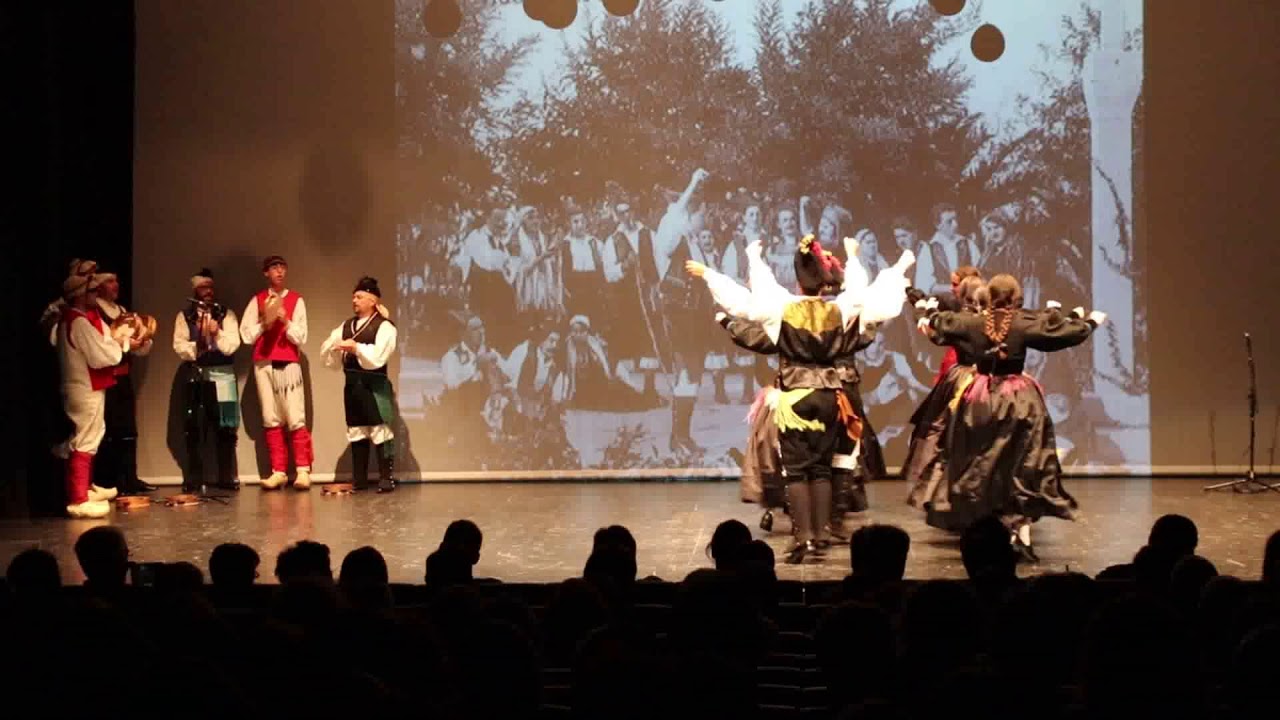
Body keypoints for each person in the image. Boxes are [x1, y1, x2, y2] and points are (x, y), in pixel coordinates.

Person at [689, 235, 913, 563]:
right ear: (824, 283)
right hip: (829, 396)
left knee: (796, 472)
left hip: (795, 397)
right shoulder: (839, 310)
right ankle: (821, 534)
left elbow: (752, 297)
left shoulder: (783, 309)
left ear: (798, 282)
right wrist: (855, 259)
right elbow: (862, 294)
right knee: (821, 469)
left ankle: (804, 537)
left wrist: (728, 269)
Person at [920, 274, 1105, 561]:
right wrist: (1090, 323)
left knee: (982, 464)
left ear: (989, 296)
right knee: (1022, 464)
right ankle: (1020, 534)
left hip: (980, 400)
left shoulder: (974, 322)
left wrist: (927, 308)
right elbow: (1058, 335)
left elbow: (940, 322)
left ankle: (993, 534)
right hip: (1017, 401)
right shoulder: (1020, 322)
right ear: (1016, 298)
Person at [55, 273, 132, 518]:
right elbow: (101, 356)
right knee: (85, 438)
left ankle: (84, 490)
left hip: (84, 386)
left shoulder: (76, 319)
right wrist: (118, 343)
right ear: (79, 294)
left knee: (91, 434)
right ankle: (78, 499)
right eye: (91, 291)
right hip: (84, 387)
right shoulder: (78, 322)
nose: (96, 295)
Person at [320, 277, 399, 493]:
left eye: (359, 296)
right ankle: (360, 479)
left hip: (375, 387)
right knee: (357, 430)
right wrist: (334, 348)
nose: (354, 300)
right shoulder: (346, 326)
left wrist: (356, 348)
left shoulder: (384, 327)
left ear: (372, 300)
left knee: (380, 429)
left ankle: (386, 479)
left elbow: (379, 357)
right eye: (354, 297)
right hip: (353, 387)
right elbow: (329, 350)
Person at [241, 255, 313, 490]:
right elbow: (246, 334)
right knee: (271, 416)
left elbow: (302, 336)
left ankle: (302, 470)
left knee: (295, 416)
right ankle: (278, 471)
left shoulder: (295, 300)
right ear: (266, 273)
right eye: (274, 268)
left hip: (288, 363)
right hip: (264, 363)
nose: (279, 271)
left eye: (282, 267)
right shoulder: (258, 300)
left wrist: (286, 320)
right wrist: (265, 323)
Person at [173, 268, 242, 491]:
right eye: (204, 288)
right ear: (195, 290)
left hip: (223, 375)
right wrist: (198, 347)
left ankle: (226, 476)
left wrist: (217, 333)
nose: (208, 291)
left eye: (211, 287)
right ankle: (194, 478)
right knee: (195, 427)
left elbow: (233, 344)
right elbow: (179, 345)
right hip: (197, 374)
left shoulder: (226, 314)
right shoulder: (185, 316)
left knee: (226, 427)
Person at [92, 267, 155, 495]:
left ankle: (129, 478)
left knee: (128, 429)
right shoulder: (96, 312)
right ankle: (109, 480)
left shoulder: (121, 311)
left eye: (117, 281)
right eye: (110, 281)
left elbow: (133, 342)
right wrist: (126, 344)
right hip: (107, 377)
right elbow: (104, 344)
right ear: (99, 286)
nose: (115, 285)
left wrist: (141, 340)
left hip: (124, 376)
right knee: (110, 429)